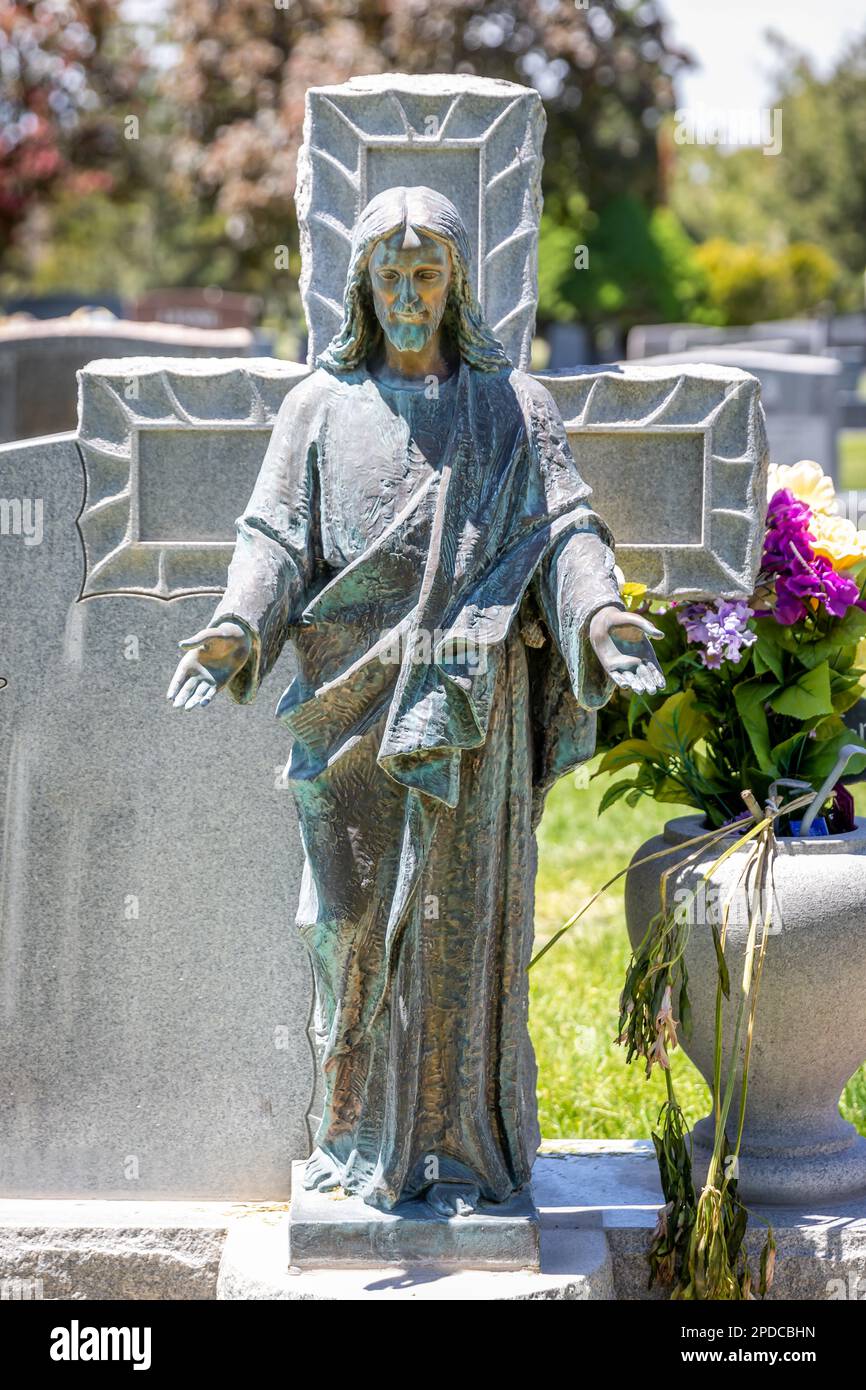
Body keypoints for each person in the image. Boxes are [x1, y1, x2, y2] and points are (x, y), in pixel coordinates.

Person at [166, 186, 664, 1216]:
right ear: (360, 285)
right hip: (343, 706)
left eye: (424, 272)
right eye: (386, 275)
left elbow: (565, 527)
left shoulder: (510, 407)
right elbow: (272, 540)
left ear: (454, 284)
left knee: (459, 937)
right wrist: (235, 628)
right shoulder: (316, 406)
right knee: (342, 927)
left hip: (466, 714)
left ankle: (461, 1149)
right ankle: (353, 1143)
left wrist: (599, 617)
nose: (404, 291)